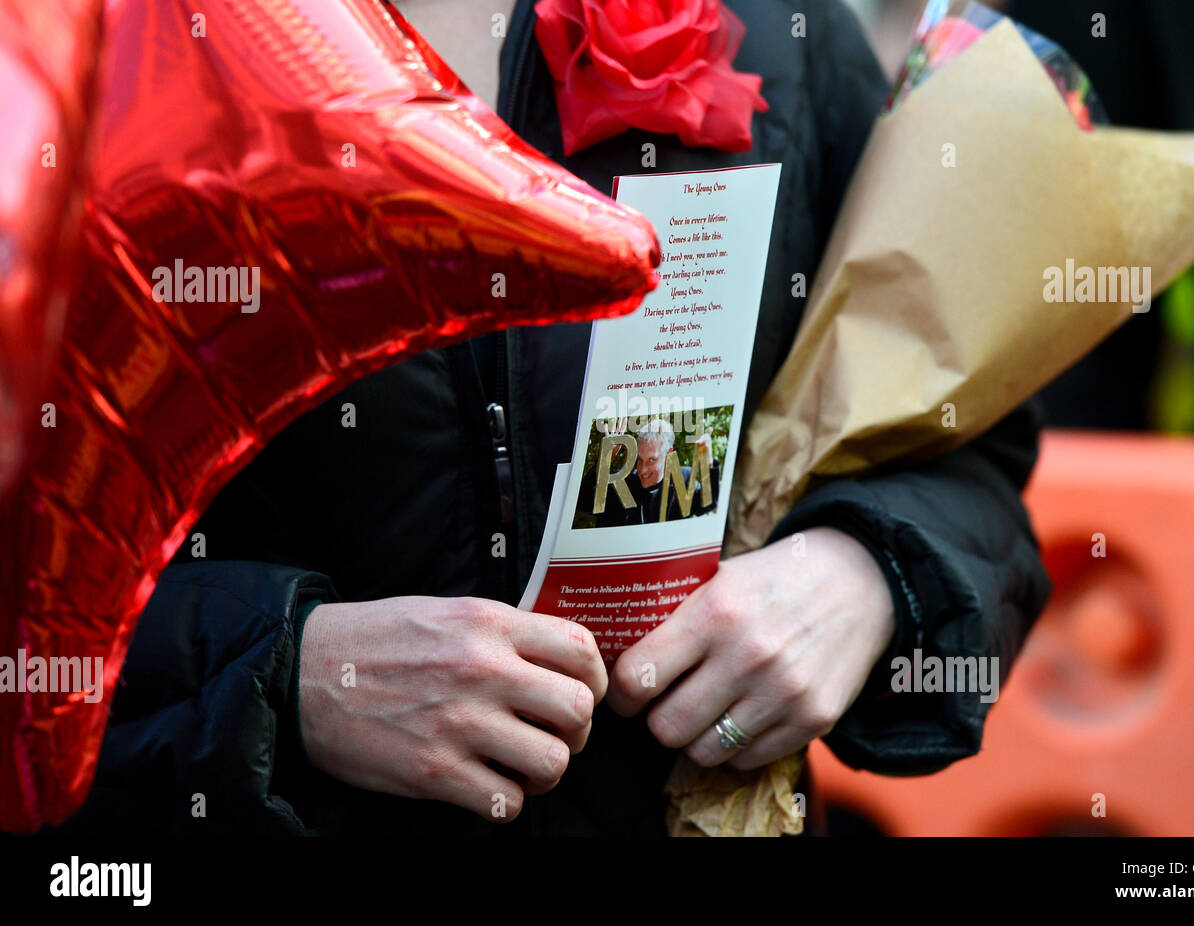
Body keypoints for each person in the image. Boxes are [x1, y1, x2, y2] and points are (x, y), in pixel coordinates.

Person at [57, 0, 1051, 836]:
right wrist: (281, 667)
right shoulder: (93, 48)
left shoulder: (775, 30)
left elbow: (970, 440)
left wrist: (867, 571)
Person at [576, 418, 720, 527]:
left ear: (669, 454)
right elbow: (583, 503)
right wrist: (605, 459)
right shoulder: (623, 485)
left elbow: (709, 502)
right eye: (639, 459)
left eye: (651, 460)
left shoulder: (684, 480)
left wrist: (708, 463)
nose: (642, 470)